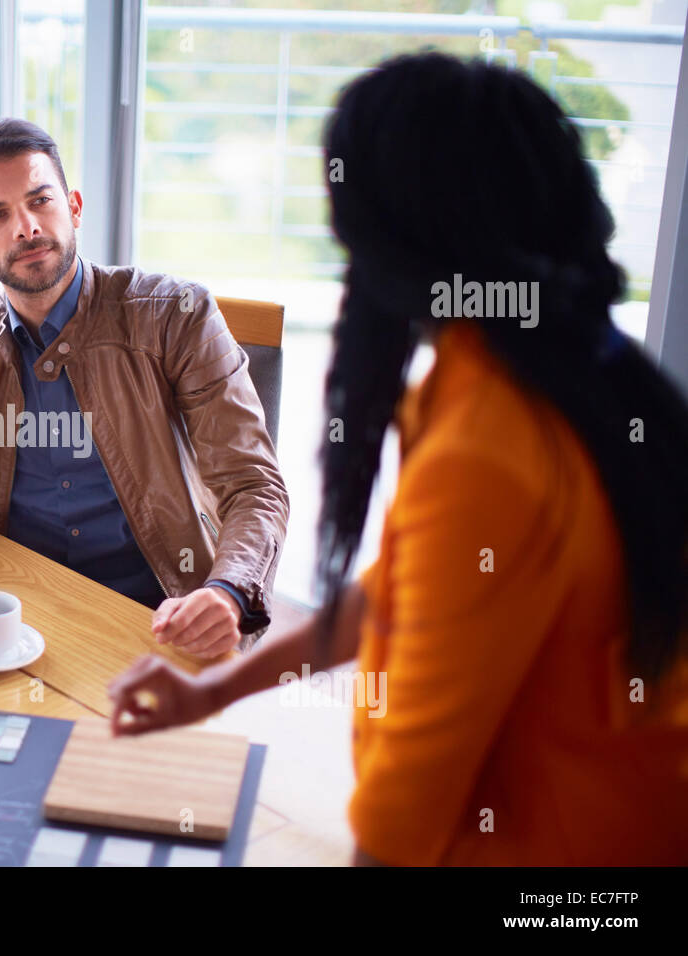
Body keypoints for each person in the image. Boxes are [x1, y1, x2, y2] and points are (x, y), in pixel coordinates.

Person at [106, 53, 688, 864]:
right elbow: (394, 594)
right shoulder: (563, 370)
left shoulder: (488, 449)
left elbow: (399, 826)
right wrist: (211, 692)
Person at [0, 118, 288, 656]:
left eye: (40, 201)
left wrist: (227, 589)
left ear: (72, 206)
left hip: (158, 609)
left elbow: (254, 486)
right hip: (7, 612)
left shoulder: (175, 315)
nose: (26, 227)